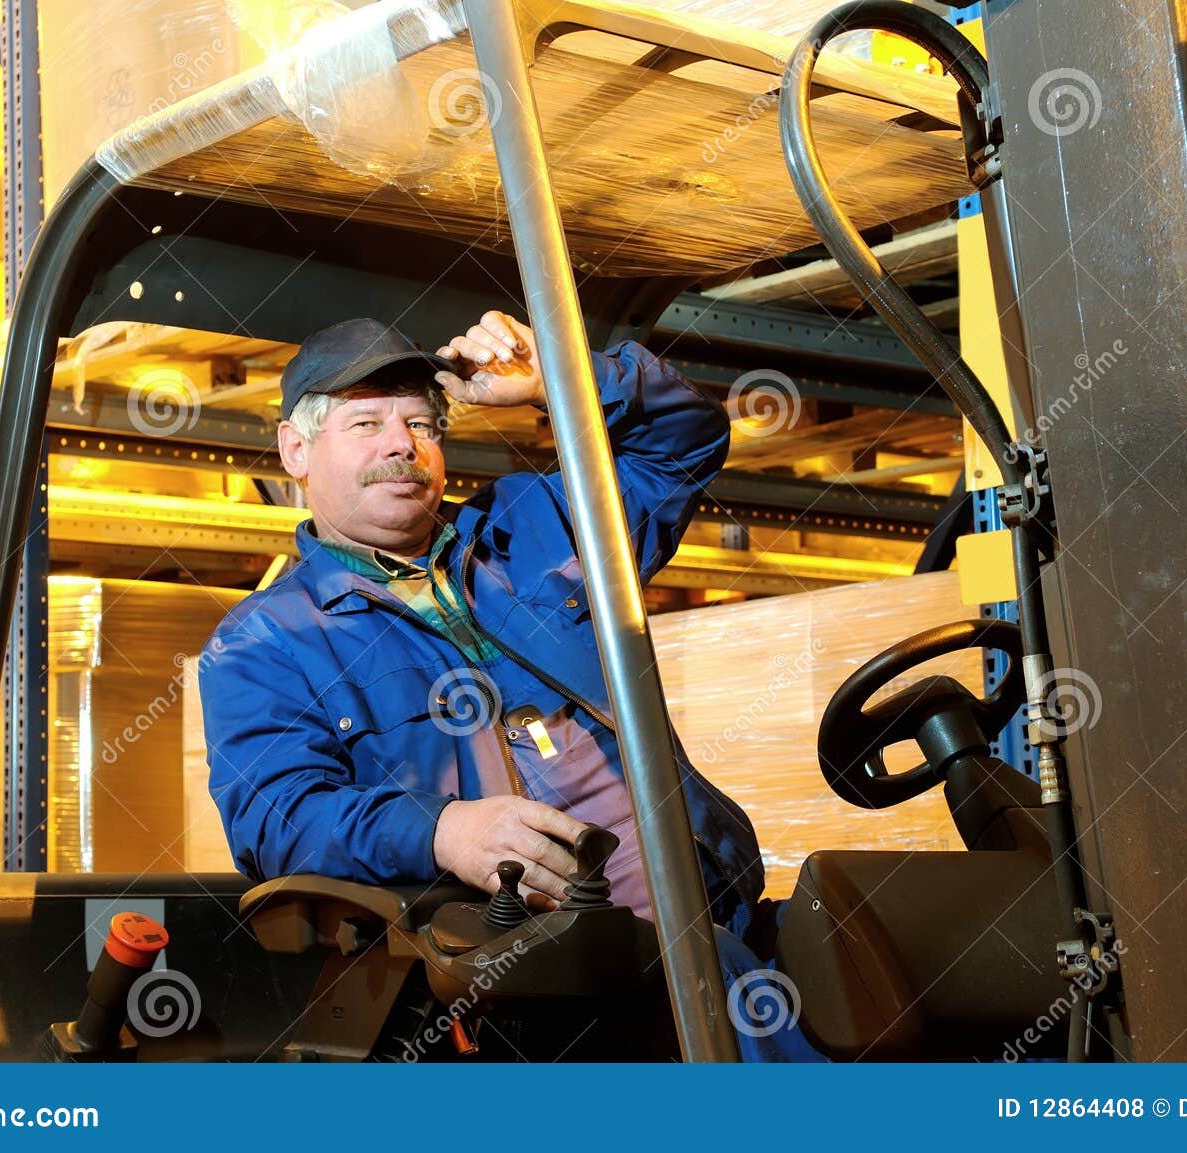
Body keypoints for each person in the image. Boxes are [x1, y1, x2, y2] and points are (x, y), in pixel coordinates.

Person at [200, 311, 822, 1061]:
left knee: (875, 930)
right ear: (294, 449)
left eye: (422, 424)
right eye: (366, 424)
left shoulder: (535, 527)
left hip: (708, 910)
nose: (402, 444)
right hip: (520, 980)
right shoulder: (266, 641)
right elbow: (280, 819)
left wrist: (554, 378)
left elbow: (685, 442)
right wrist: (443, 830)